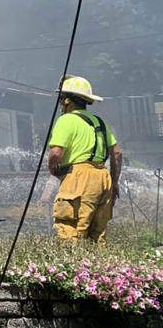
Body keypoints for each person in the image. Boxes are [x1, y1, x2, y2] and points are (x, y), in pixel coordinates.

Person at [47, 76, 122, 245]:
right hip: (103, 178)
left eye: (61, 99)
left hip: (79, 178)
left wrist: (52, 169)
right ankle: (101, 270)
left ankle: (74, 269)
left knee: (70, 233)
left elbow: (56, 153)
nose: (60, 104)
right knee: (98, 236)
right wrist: (114, 182)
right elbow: (117, 153)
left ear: (67, 101)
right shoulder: (99, 122)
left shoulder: (66, 120)